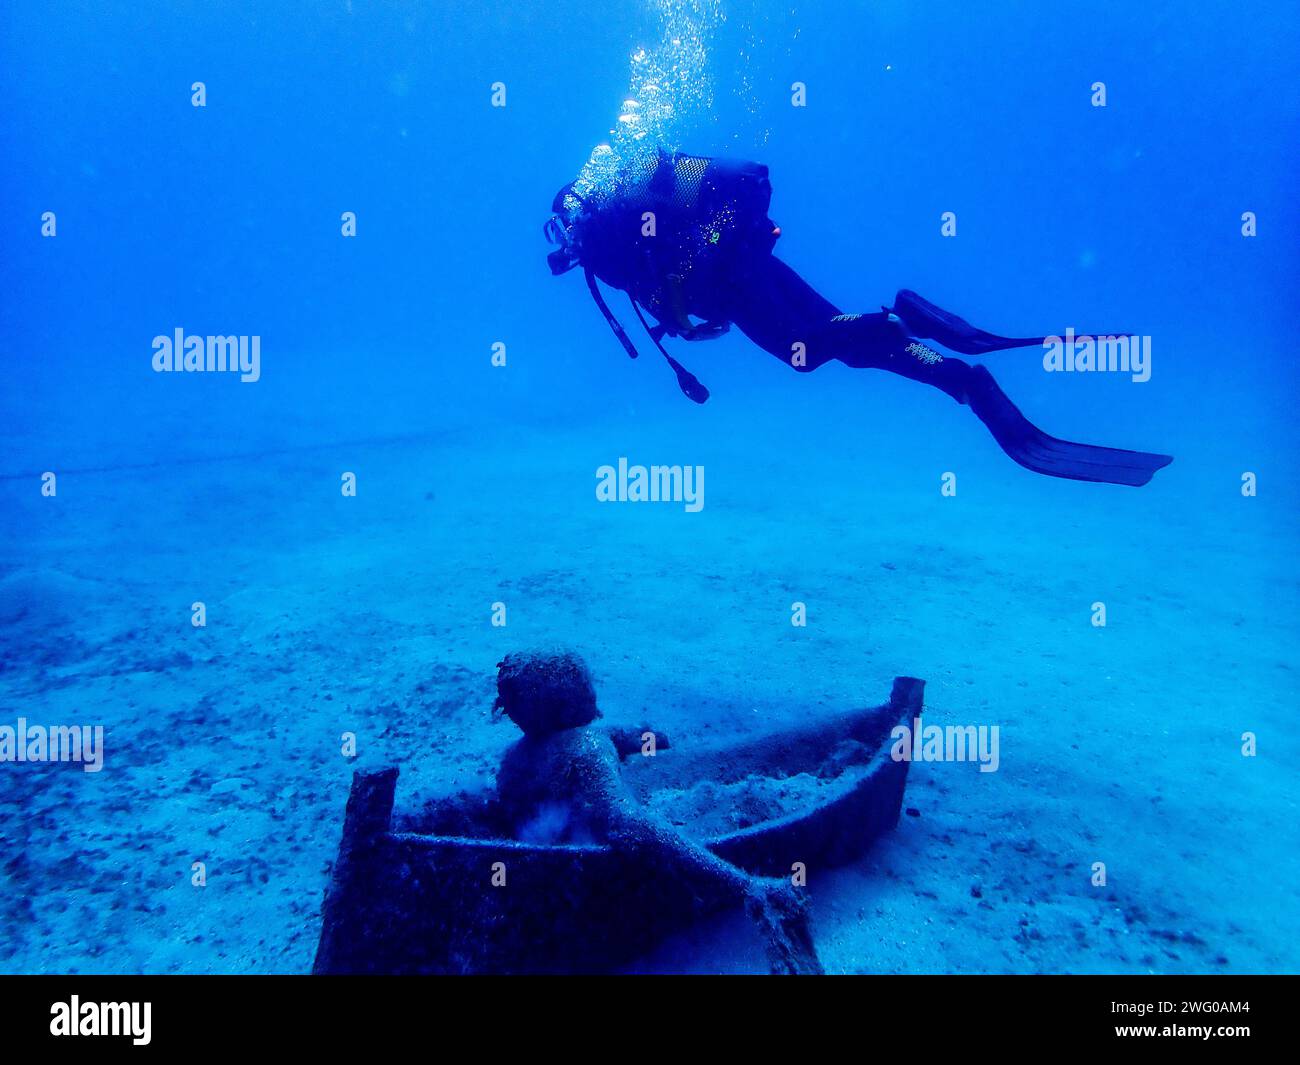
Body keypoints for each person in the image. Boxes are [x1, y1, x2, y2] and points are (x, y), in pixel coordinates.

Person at [544, 148, 1173, 487]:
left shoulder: (604, 242)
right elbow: (673, 282)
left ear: (574, 220)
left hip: (737, 282)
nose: (563, 247)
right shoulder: (622, 222)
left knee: (808, 352)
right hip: (751, 266)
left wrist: (694, 307)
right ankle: (961, 377)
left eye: (561, 234)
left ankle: (902, 320)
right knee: (839, 339)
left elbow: (669, 283)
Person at [493, 649, 823, 975]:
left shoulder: (514, 759)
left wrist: (647, 737)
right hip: (588, 881)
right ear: (569, 703)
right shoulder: (587, 746)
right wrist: (745, 884)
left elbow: (628, 737)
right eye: (586, 683)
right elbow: (626, 822)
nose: (594, 694)